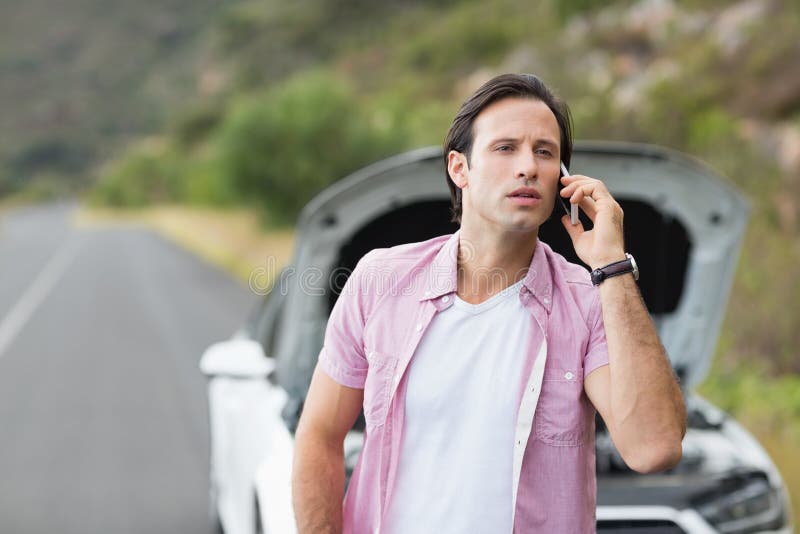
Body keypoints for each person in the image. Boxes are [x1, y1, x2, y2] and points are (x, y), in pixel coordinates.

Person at [292, 73, 686, 533]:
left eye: (545, 152)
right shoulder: (380, 280)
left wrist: (612, 267)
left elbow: (653, 448)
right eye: (505, 148)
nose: (528, 166)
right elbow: (319, 435)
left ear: (562, 179)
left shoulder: (587, 300)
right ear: (459, 168)